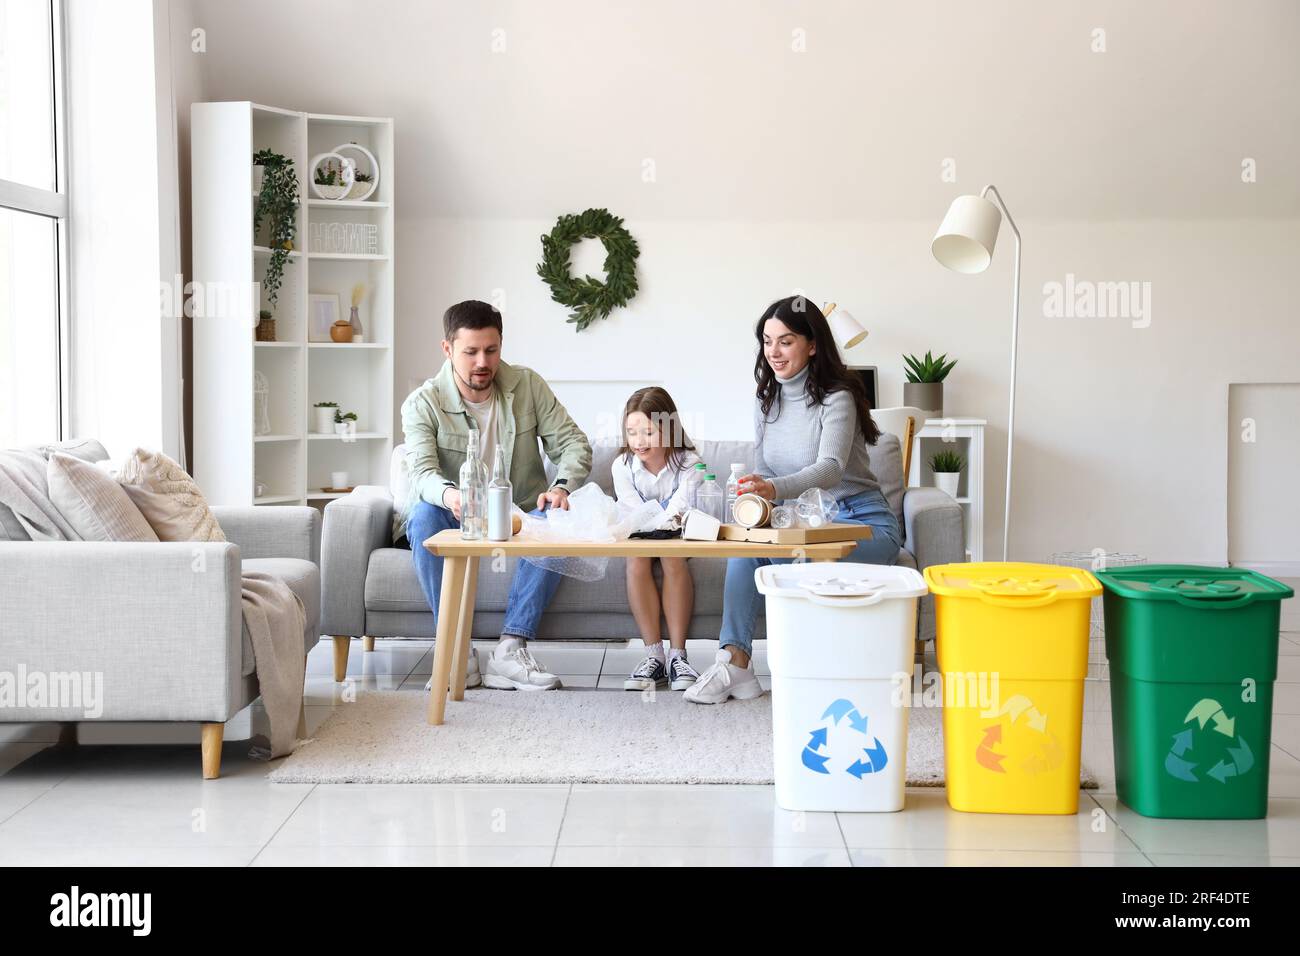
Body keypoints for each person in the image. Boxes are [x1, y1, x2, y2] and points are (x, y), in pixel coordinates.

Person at [684, 294, 903, 705]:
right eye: (767, 341)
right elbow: (765, 469)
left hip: (862, 524)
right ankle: (735, 663)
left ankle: (768, 668)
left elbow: (831, 468)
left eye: (785, 341)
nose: (774, 352)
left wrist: (774, 489)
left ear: (813, 344)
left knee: (773, 557)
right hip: (805, 522)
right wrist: (756, 496)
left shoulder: (837, 398)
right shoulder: (765, 400)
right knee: (745, 548)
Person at [400, 300, 592, 690]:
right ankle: (457, 651)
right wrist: (451, 496)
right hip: (454, 514)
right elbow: (421, 474)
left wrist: (560, 486)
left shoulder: (527, 385)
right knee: (421, 516)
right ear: (447, 349)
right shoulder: (424, 403)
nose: (482, 362)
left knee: (557, 519)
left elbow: (574, 444)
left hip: (520, 515)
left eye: (491, 349)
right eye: (470, 352)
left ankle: (510, 650)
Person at [611, 387, 703, 691]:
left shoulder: (690, 463)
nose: (639, 441)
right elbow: (632, 511)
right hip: (639, 535)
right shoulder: (622, 466)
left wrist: (661, 525)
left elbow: (679, 511)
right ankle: (654, 656)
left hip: (677, 535)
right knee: (636, 558)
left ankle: (678, 655)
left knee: (670, 554)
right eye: (632, 432)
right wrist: (651, 525)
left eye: (648, 432)